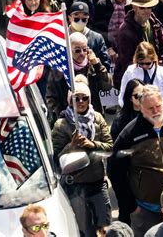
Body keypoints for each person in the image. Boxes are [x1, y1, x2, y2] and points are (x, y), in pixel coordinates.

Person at [109, 85, 163, 233]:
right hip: (148, 210)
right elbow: (115, 172)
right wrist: (131, 205)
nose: (155, 111)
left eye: (158, 106)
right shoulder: (129, 134)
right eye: (150, 108)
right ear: (140, 108)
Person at [51, 75, 113, 237]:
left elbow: (110, 146)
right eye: (76, 98)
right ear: (69, 100)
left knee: (105, 226)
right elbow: (56, 160)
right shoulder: (61, 125)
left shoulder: (98, 118)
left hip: (97, 181)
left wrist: (93, 144)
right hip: (75, 185)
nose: (80, 102)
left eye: (84, 98)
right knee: (83, 229)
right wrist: (71, 146)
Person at [46, 31, 112, 121]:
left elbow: (107, 86)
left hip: (93, 118)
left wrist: (97, 65)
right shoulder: (59, 69)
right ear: (69, 50)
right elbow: (51, 98)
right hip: (68, 119)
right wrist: (61, 118)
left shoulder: (92, 66)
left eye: (85, 50)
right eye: (77, 50)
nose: (81, 53)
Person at [114, 0, 163, 89]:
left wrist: (159, 66)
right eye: (142, 8)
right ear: (134, 7)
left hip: (155, 74)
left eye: (149, 7)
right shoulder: (125, 30)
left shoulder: (154, 22)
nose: (146, 11)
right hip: (134, 80)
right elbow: (127, 62)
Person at [118, 41, 163, 110]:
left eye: (148, 63)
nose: (144, 66)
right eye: (141, 63)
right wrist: (130, 110)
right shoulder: (130, 71)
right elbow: (121, 97)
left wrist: (159, 110)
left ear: (153, 59)